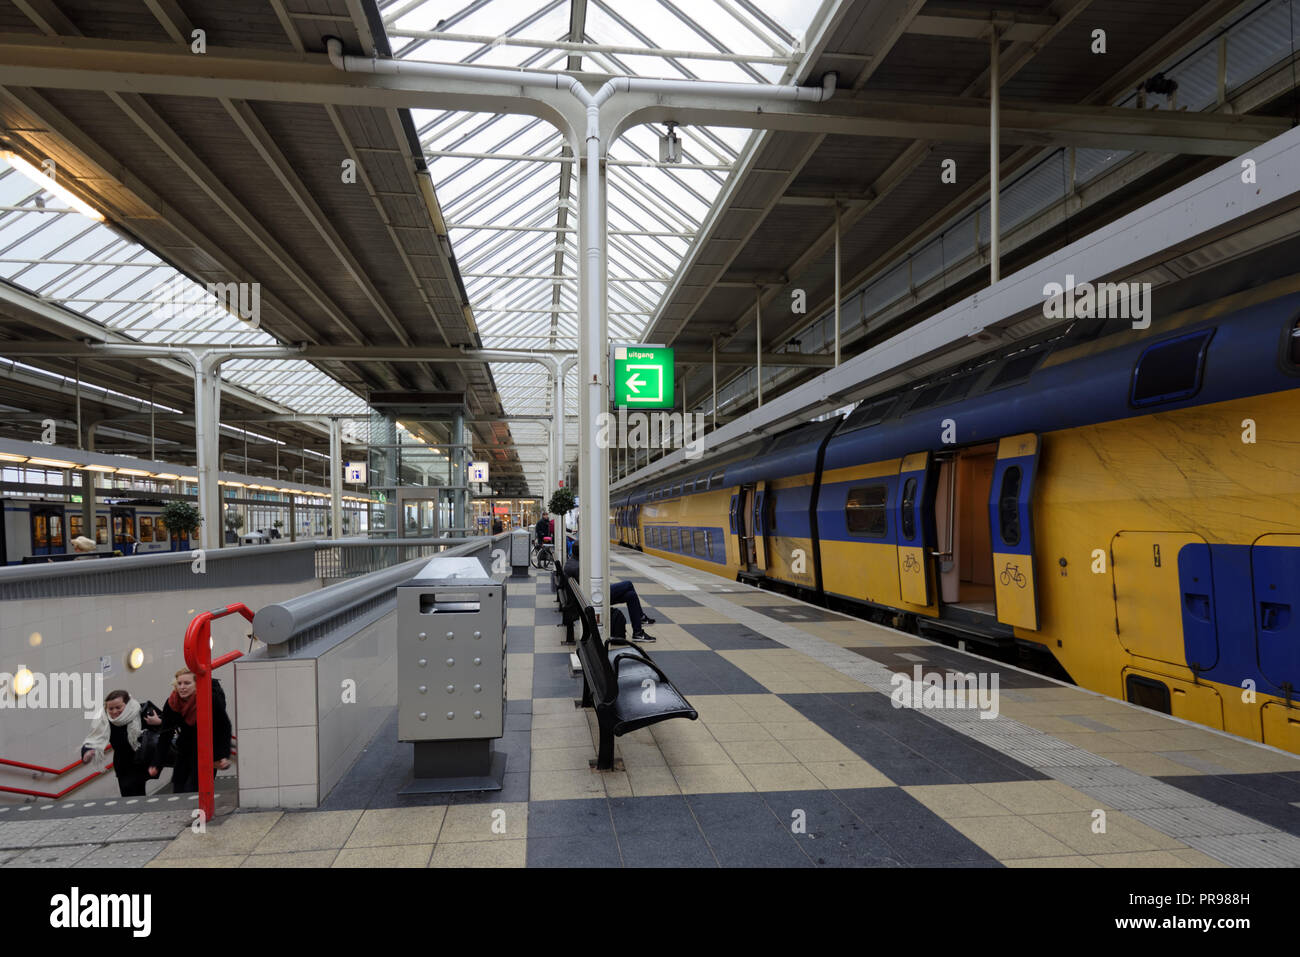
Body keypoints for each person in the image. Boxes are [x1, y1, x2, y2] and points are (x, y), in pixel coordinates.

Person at [149, 668, 233, 794]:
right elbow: (165, 734)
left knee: (195, 790)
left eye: (187, 683)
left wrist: (222, 755)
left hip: (207, 750)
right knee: (178, 788)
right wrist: (157, 763)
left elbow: (224, 727)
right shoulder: (172, 703)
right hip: (185, 750)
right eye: (179, 683)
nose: (182, 687)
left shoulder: (210, 699)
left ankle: (200, 814)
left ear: (197, 684)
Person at [564, 543, 657, 642]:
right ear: (582, 553)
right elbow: (591, 586)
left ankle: (637, 633)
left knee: (631, 595)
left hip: (588, 597)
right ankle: (641, 617)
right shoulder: (578, 567)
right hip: (594, 598)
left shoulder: (572, 562)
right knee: (628, 584)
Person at [81, 690, 164, 797]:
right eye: (110, 708)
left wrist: (159, 722)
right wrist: (87, 751)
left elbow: (169, 727)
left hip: (144, 759)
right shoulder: (105, 720)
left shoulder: (140, 711)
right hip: (124, 764)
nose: (114, 712)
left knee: (138, 793)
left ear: (128, 704)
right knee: (130, 796)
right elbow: (93, 738)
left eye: (118, 707)